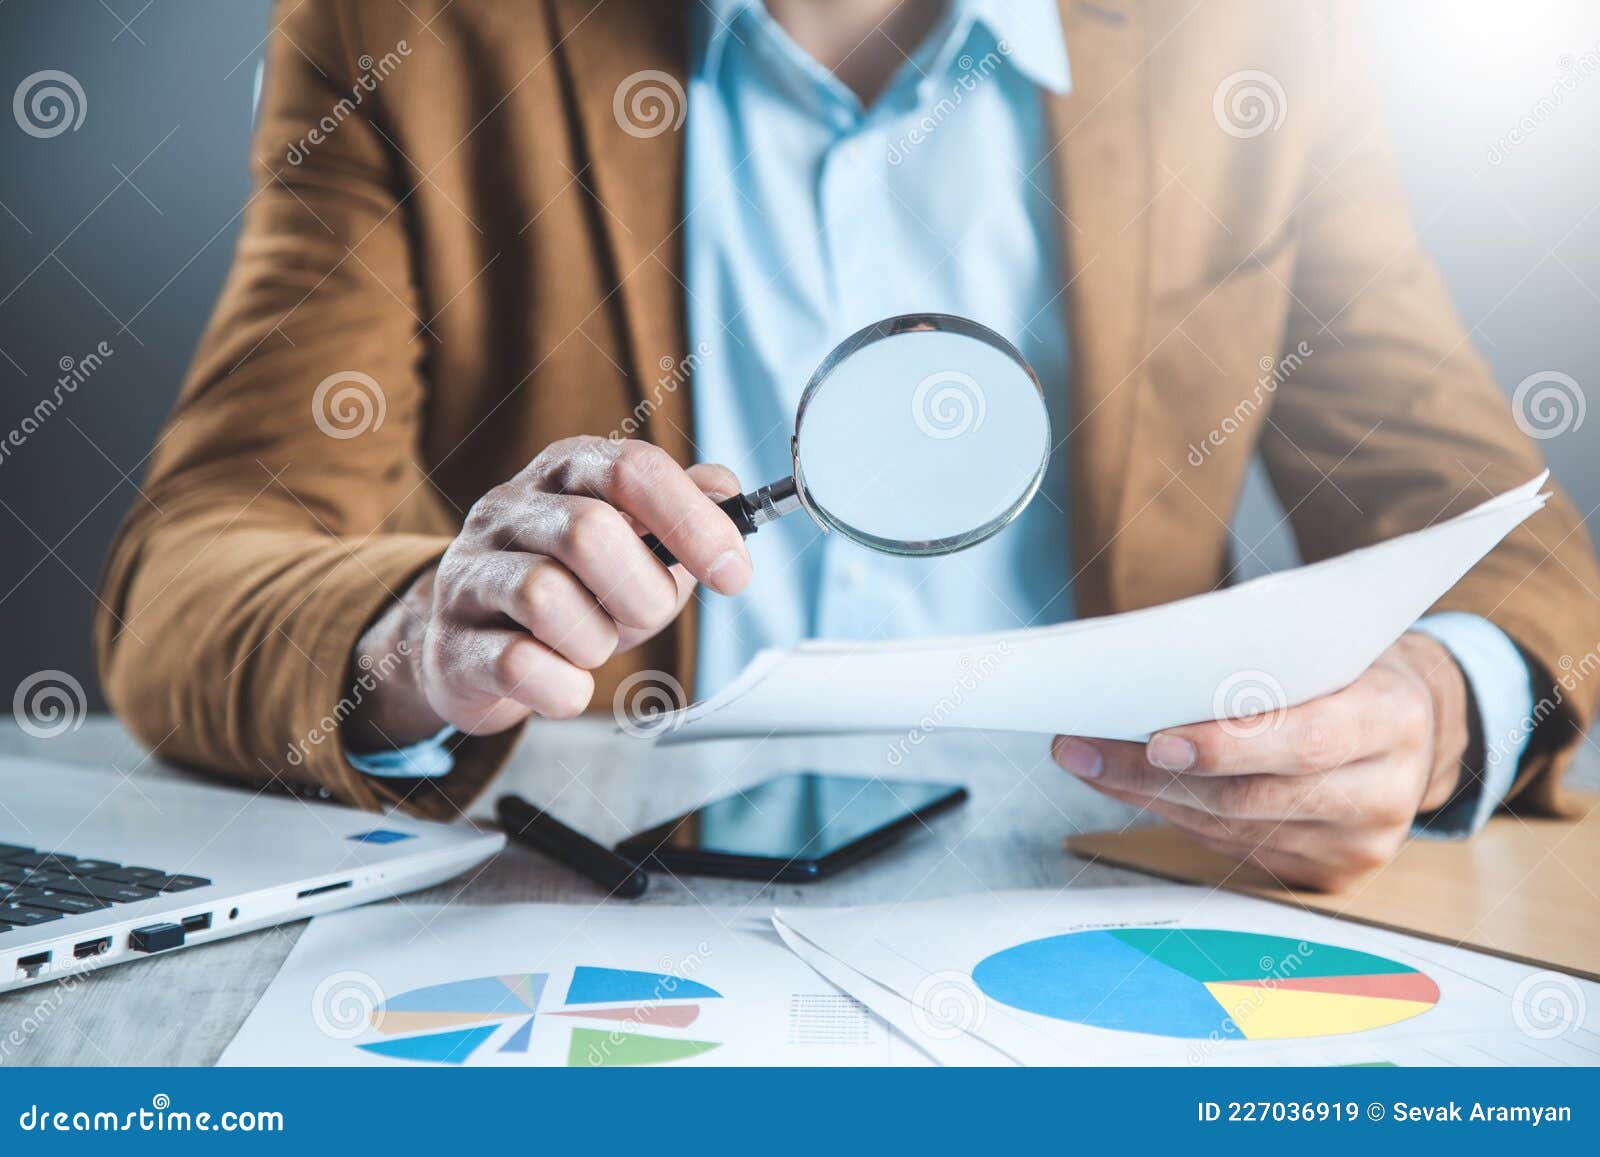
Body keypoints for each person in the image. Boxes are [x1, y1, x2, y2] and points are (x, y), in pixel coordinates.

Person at [97, 0, 1600, 890]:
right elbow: (192, 570)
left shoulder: (1256, 37)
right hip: (604, 911)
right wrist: (418, 635)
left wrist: (1434, 706)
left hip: (1112, 887)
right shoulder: (402, 30)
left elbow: (1508, 538)